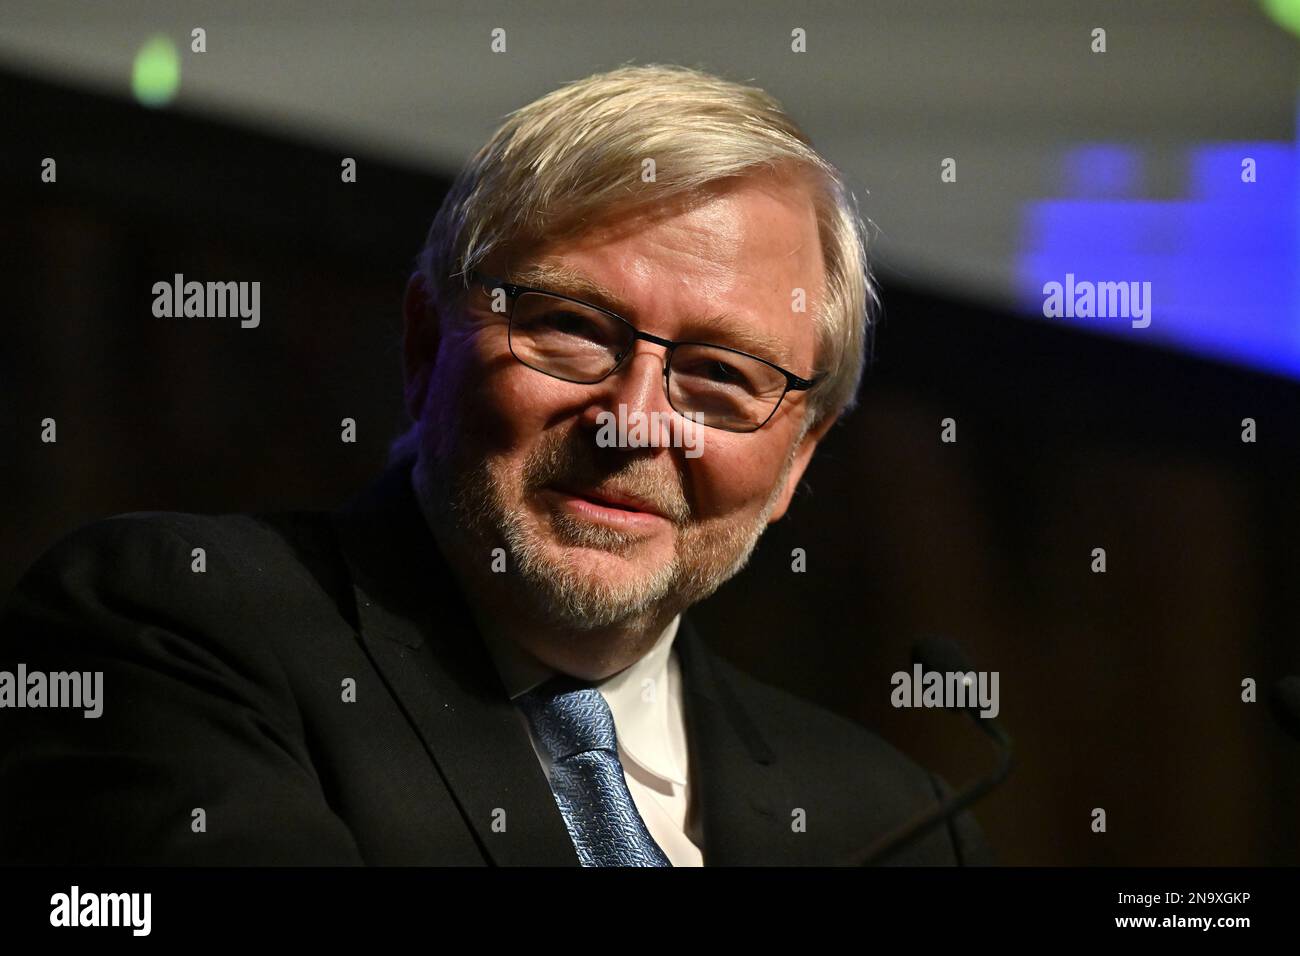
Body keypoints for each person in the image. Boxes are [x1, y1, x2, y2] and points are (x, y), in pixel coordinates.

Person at [0, 63, 993, 866]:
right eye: (571, 329)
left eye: (721, 376)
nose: (636, 420)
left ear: (794, 462)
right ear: (427, 343)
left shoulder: (895, 820)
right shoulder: (172, 626)